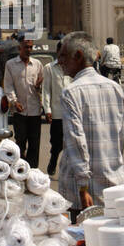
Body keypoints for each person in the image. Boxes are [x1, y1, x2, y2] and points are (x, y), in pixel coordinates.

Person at [56, 31, 124, 217]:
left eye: (63, 56)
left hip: (82, 192)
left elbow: (75, 141)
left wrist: (83, 186)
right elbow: (121, 138)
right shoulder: (115, 88)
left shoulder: (71, 92)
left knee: (84, 242)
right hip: (113, 184)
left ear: (78, 56)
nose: (59, 62)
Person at [2, 36, 45, 167]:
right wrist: (14, 102)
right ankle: (19, 168)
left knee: (34, 143)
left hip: (35, 110)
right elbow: (8, 86)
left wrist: (39, 86)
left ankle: (32, 171)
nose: (29, 50)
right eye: (26, 47)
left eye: (31, 47)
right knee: (20, 142)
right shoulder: (10, 65)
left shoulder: (37, 64)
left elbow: (43, 87)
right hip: (19, 111)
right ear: (19, 48)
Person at [42, 41, 70, 177]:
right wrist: (47, 109)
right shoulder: (49, 68)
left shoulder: (72, 68)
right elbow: (46, 90)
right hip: (57, 112)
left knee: (71, 144)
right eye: (61, 53)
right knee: (56, 144)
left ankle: (67, 170)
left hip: (72, 113)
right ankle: (53, 160)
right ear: (57, 52)